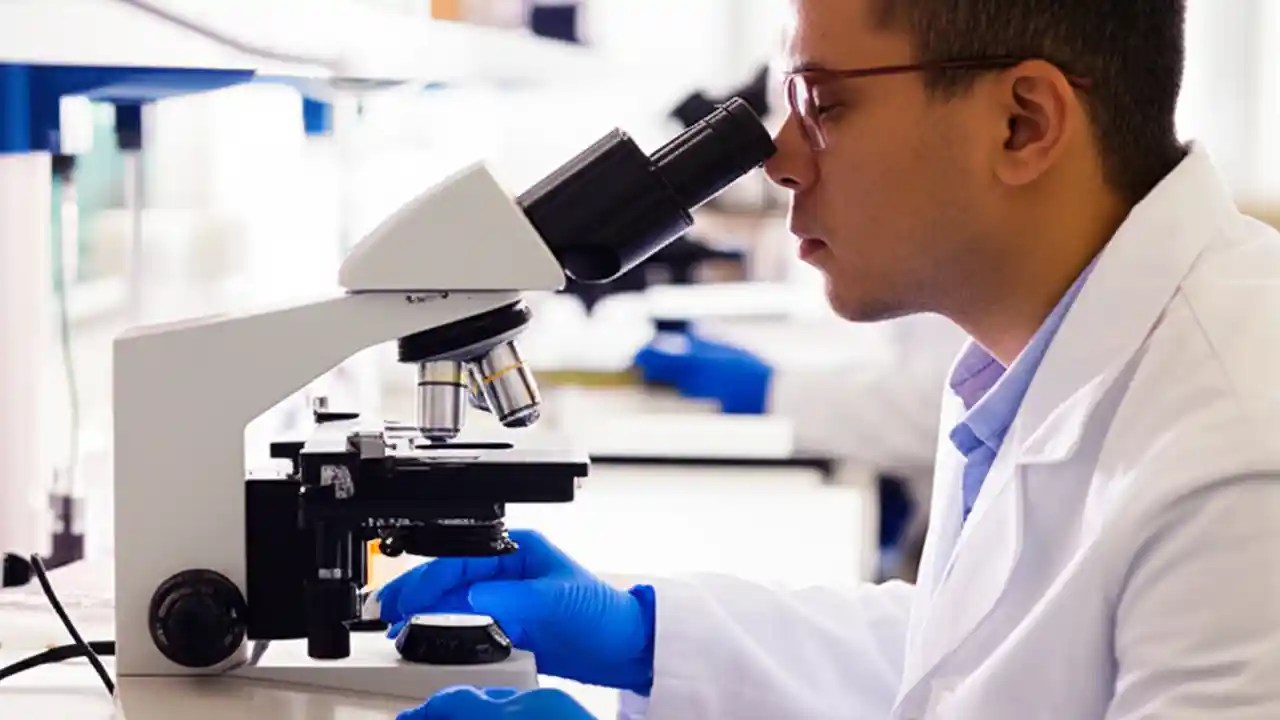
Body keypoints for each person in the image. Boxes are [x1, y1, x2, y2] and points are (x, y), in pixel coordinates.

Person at [390, 0, 1280, 717]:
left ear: (1021, 123)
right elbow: (961, 669)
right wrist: (654, 636)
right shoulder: (1043, 359)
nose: (778, 157)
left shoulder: (1237, 463)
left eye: (823, 102)